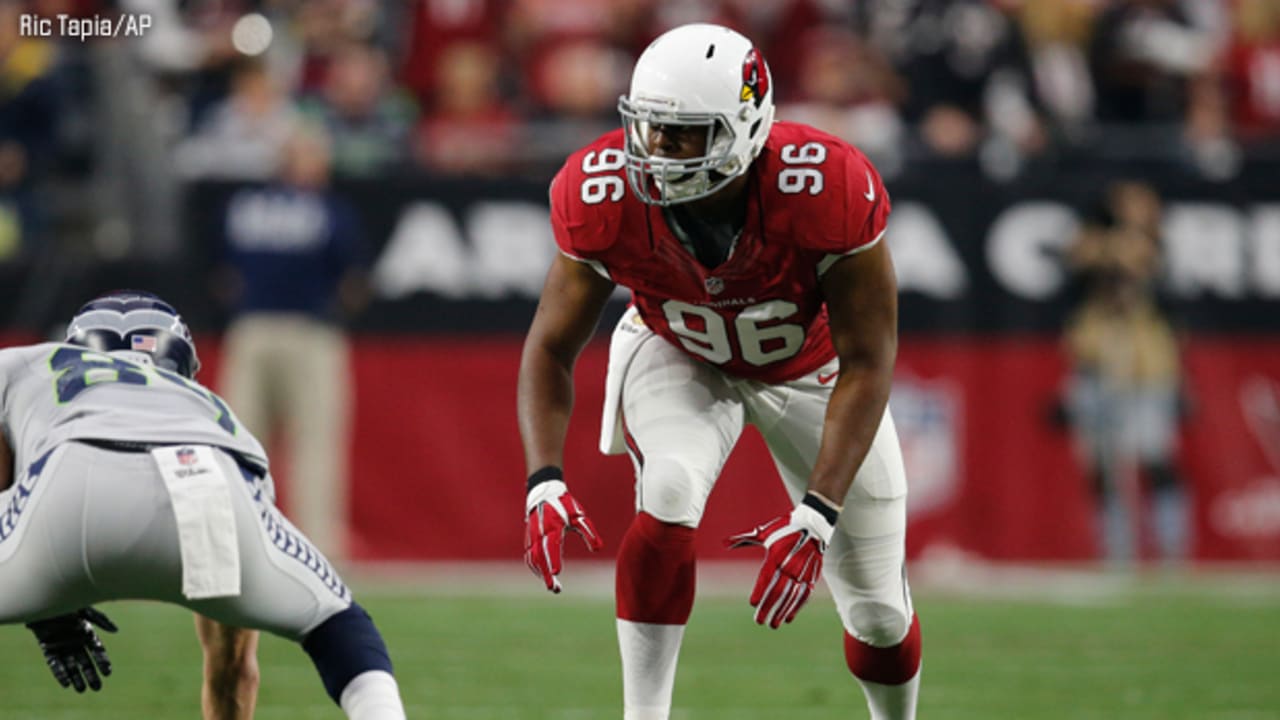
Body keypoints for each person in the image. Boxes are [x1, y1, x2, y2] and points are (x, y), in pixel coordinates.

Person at [518, 23, 922, 720]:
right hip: (680, 345)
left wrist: (818, 514)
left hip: (813, 367)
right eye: (648, 130)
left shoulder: (825, 184)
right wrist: (542, 481)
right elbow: (550, 347)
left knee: (879, 608)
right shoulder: (603, 190)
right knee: (669, 487)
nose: (656, 152)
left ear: (745, 126)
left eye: (683, 135)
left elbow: (868, 359)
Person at [0, 290, 406, 720]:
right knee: (337, 622)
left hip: (69, 478)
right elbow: (233, 667)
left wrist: (47, 607)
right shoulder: (215, 412)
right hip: (206, 474)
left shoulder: (28, 363)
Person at [216, 125, 368, 563]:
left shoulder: (243, 206)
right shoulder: (328, 210)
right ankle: (309, 548)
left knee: (255, 442)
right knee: (288, 444)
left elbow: (221, 275)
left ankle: (244, 544)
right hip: (298, 331)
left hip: (261, 328)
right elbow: (353, 278)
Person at [1062, 180, 1189, 566]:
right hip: (1098, 360)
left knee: (1153, 454)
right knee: (1101, 462)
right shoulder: (1090, 241)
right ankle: (1116, 548)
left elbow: (1147, 270)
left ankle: (1171, 547)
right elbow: (1080, 267)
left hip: (1145, 366)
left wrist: (1129, 244)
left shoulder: (1157, 243)